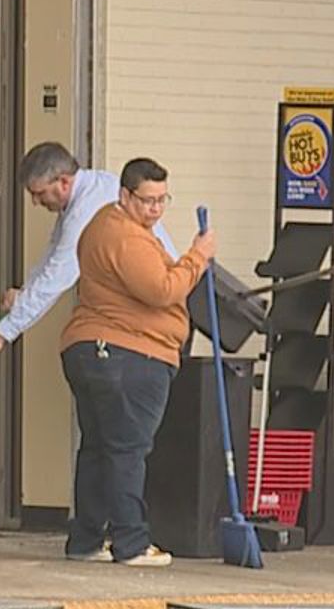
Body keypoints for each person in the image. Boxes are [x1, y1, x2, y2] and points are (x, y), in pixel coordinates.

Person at [55, 158, 215, 567]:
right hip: (128, 353)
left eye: (163, 200)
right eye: (147, 201)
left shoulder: (107, 228)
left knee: (97, 448)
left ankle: (86, 540)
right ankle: (131, 543)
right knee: (128, 449)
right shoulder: (124, 236)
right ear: (124, 195)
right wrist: (197, 257)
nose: (156, 210)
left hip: (93, 349)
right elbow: (161, 289)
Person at [0, 142, 178, 373]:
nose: (35, 202)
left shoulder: (85, 211)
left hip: (153, 317)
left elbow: (57, 276)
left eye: (39, 193)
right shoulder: (93, 188)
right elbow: (52, 256)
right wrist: (25, 294)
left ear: (63, 182)